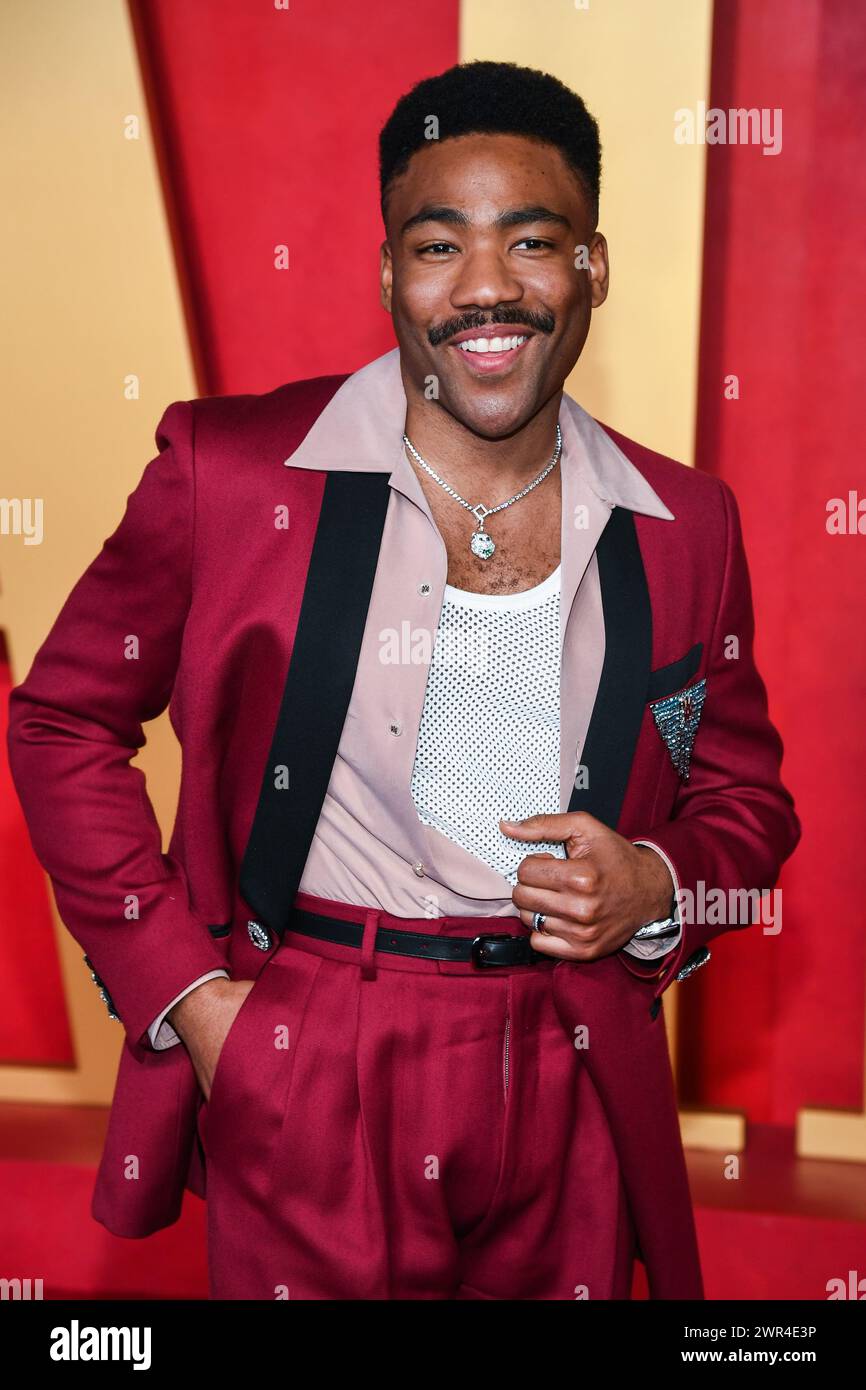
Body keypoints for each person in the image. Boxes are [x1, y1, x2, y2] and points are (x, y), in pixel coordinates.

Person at [7, 60, 800, 1300]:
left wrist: (655, 881)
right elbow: (61, 718)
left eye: (532, 241)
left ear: (592, 267)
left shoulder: (684, 520)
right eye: (438, 244)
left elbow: (745, 799)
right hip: (313, 1044)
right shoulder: (236, 471)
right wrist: (191, 997)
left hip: (574, 1058)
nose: (486, 287)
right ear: (386, 271)